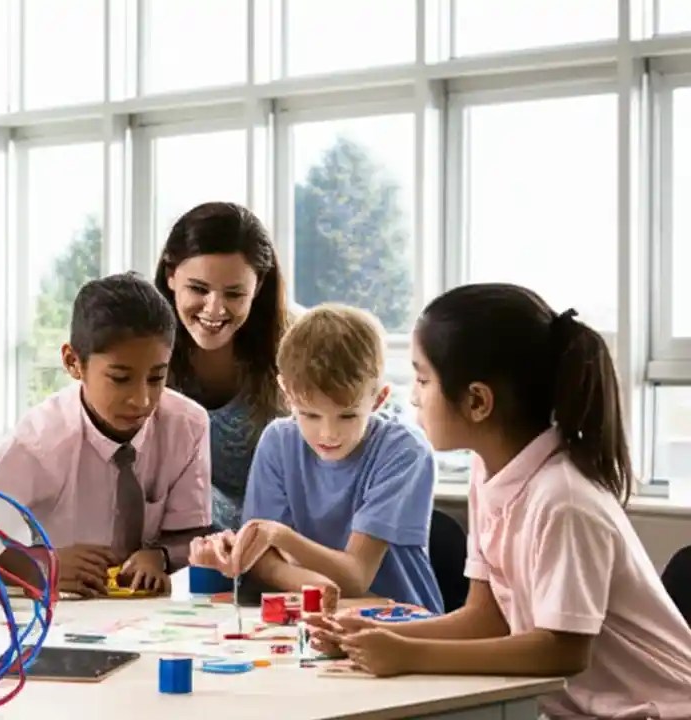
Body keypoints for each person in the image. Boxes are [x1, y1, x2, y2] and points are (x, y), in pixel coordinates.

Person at [308, 284, 691, 719]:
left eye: (422, 379)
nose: (412, 396)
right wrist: (376, 634)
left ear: (476, 401)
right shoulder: (488, 471)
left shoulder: (562, 499)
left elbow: (562, 651)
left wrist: (408, 653)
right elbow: (485, 617)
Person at [189, 304, 444, 613]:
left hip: (401, 626)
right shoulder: (278, 441)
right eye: (309, 414)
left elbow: (355, 578)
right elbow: (261, 561)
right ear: (286, 394)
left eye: (347, 416)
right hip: (315, 618)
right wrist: (313, 586)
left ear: (378, 399)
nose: (328, 434)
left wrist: (281, 538)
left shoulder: (404, 451)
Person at [0, 273, 211, 597]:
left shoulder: (188, 426)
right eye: (120, 378)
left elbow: (194, 534)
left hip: (146, 611)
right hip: (64, 608)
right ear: (73, 362)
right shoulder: (40, 441)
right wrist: (43, 566)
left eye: (157, 377)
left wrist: (158, 556)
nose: (142, 400)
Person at [155, 202, 290, 532]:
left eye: (234, 294)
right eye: (198, 289)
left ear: (257, 288)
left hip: (280, 544)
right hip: (172, 555)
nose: (214, 309)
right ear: (172, 276)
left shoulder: (292, 349)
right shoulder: (141, 350)